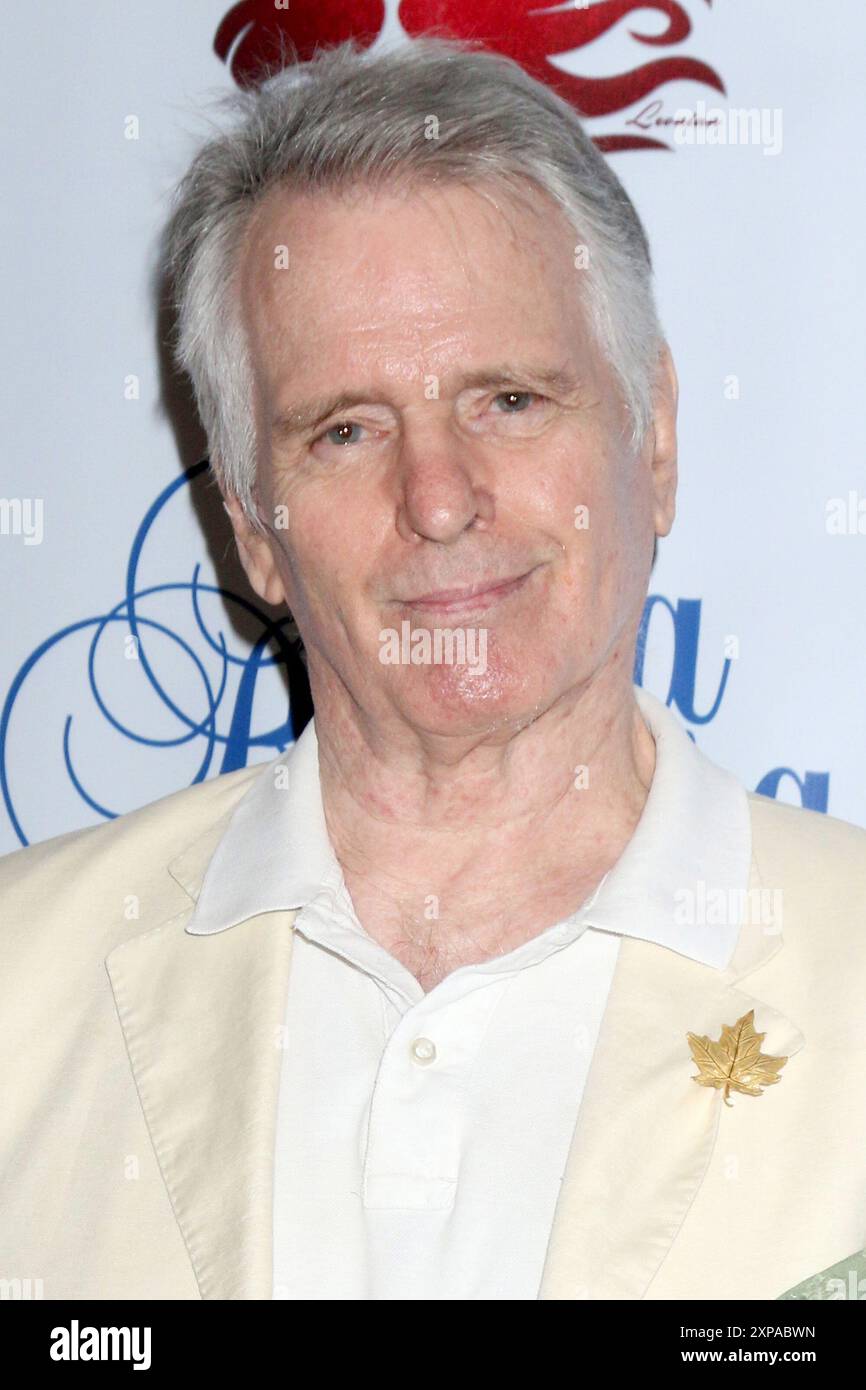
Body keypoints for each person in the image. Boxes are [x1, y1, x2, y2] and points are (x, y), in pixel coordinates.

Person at [1, 37, 864, 1302]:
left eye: (507, 400)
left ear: (654, 435)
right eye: (344, 429)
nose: (440, 500)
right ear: (252, 526)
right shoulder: (19, 986)